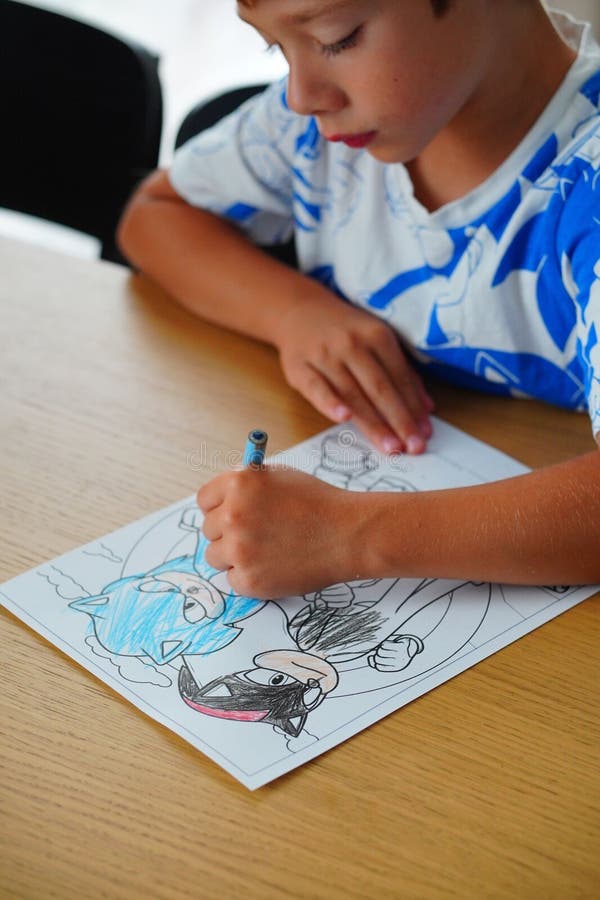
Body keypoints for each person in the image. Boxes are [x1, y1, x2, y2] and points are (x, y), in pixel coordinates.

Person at [118, 0, 600, 598]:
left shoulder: (587, 182)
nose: (299, 94)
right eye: (275, 48)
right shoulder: (311, 133)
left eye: (338, 39)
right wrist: (292, 311)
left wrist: (349, 537)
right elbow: (155, 217)